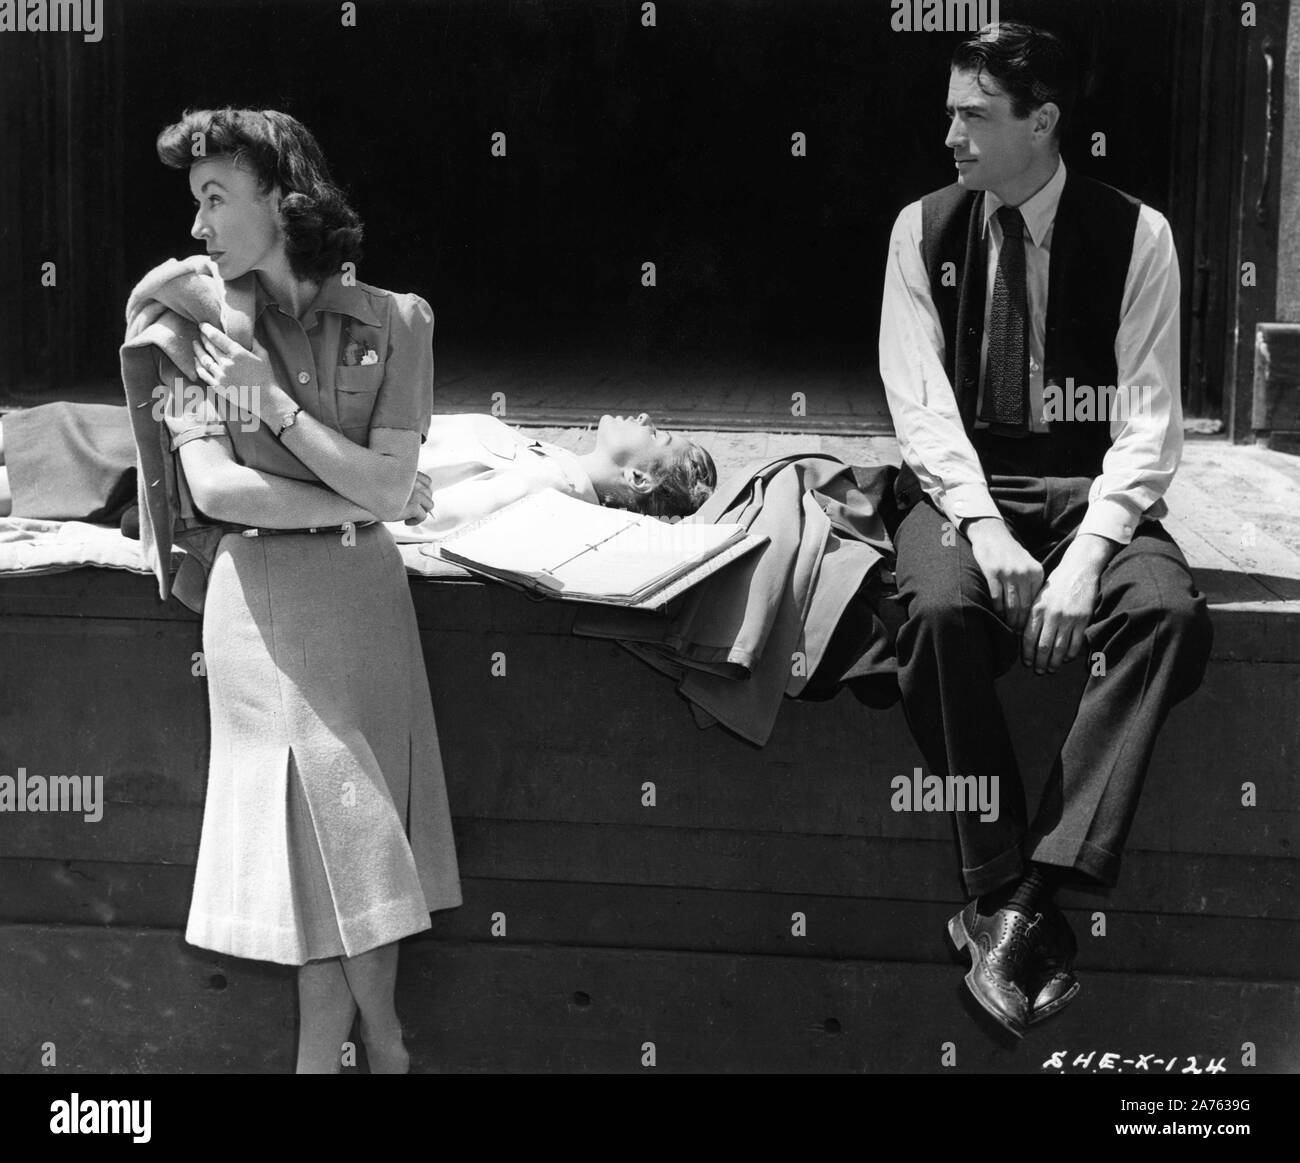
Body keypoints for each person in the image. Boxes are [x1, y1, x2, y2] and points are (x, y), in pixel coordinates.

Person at [878, 23, 1212, 1037]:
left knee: (1166, 615)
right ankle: (997, 880)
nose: (951, 136)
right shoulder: (922, 230)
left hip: (1089, 488)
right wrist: (981, 529)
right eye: (949, 112)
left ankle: (1026, 904)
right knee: (933, 609)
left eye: (974, 114)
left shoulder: (1136, 234)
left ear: (1043, 122)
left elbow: (1148, 422)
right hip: (964, 485)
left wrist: (1088, 560)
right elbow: (921, 406)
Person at [134, 106, 467, 1074]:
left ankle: (325, 1057)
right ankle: (394, 1047)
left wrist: (275, 406)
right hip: (263, 603)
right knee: (343, 823)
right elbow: (213, 487)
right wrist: (346, 490)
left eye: (215, 198)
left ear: (281, 197)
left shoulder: (399, 322)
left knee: (337, 859)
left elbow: (394, 487)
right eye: (194, 201)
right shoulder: (189, 326)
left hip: (368, 602)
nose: (197, 227)